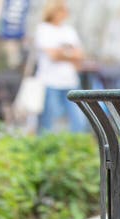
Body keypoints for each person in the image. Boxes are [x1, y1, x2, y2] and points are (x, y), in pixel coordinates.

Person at [34, 0, 87, 133]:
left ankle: (76, 147)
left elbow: (80, 55)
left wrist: (61, 52)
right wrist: (69, 53)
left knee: (79, 121)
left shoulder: (69, 30)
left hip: (70, 82)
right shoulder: (43, 29)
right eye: (63, 10)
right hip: (50, 82)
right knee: (48, 123)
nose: (66, 13)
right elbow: (53, 55)